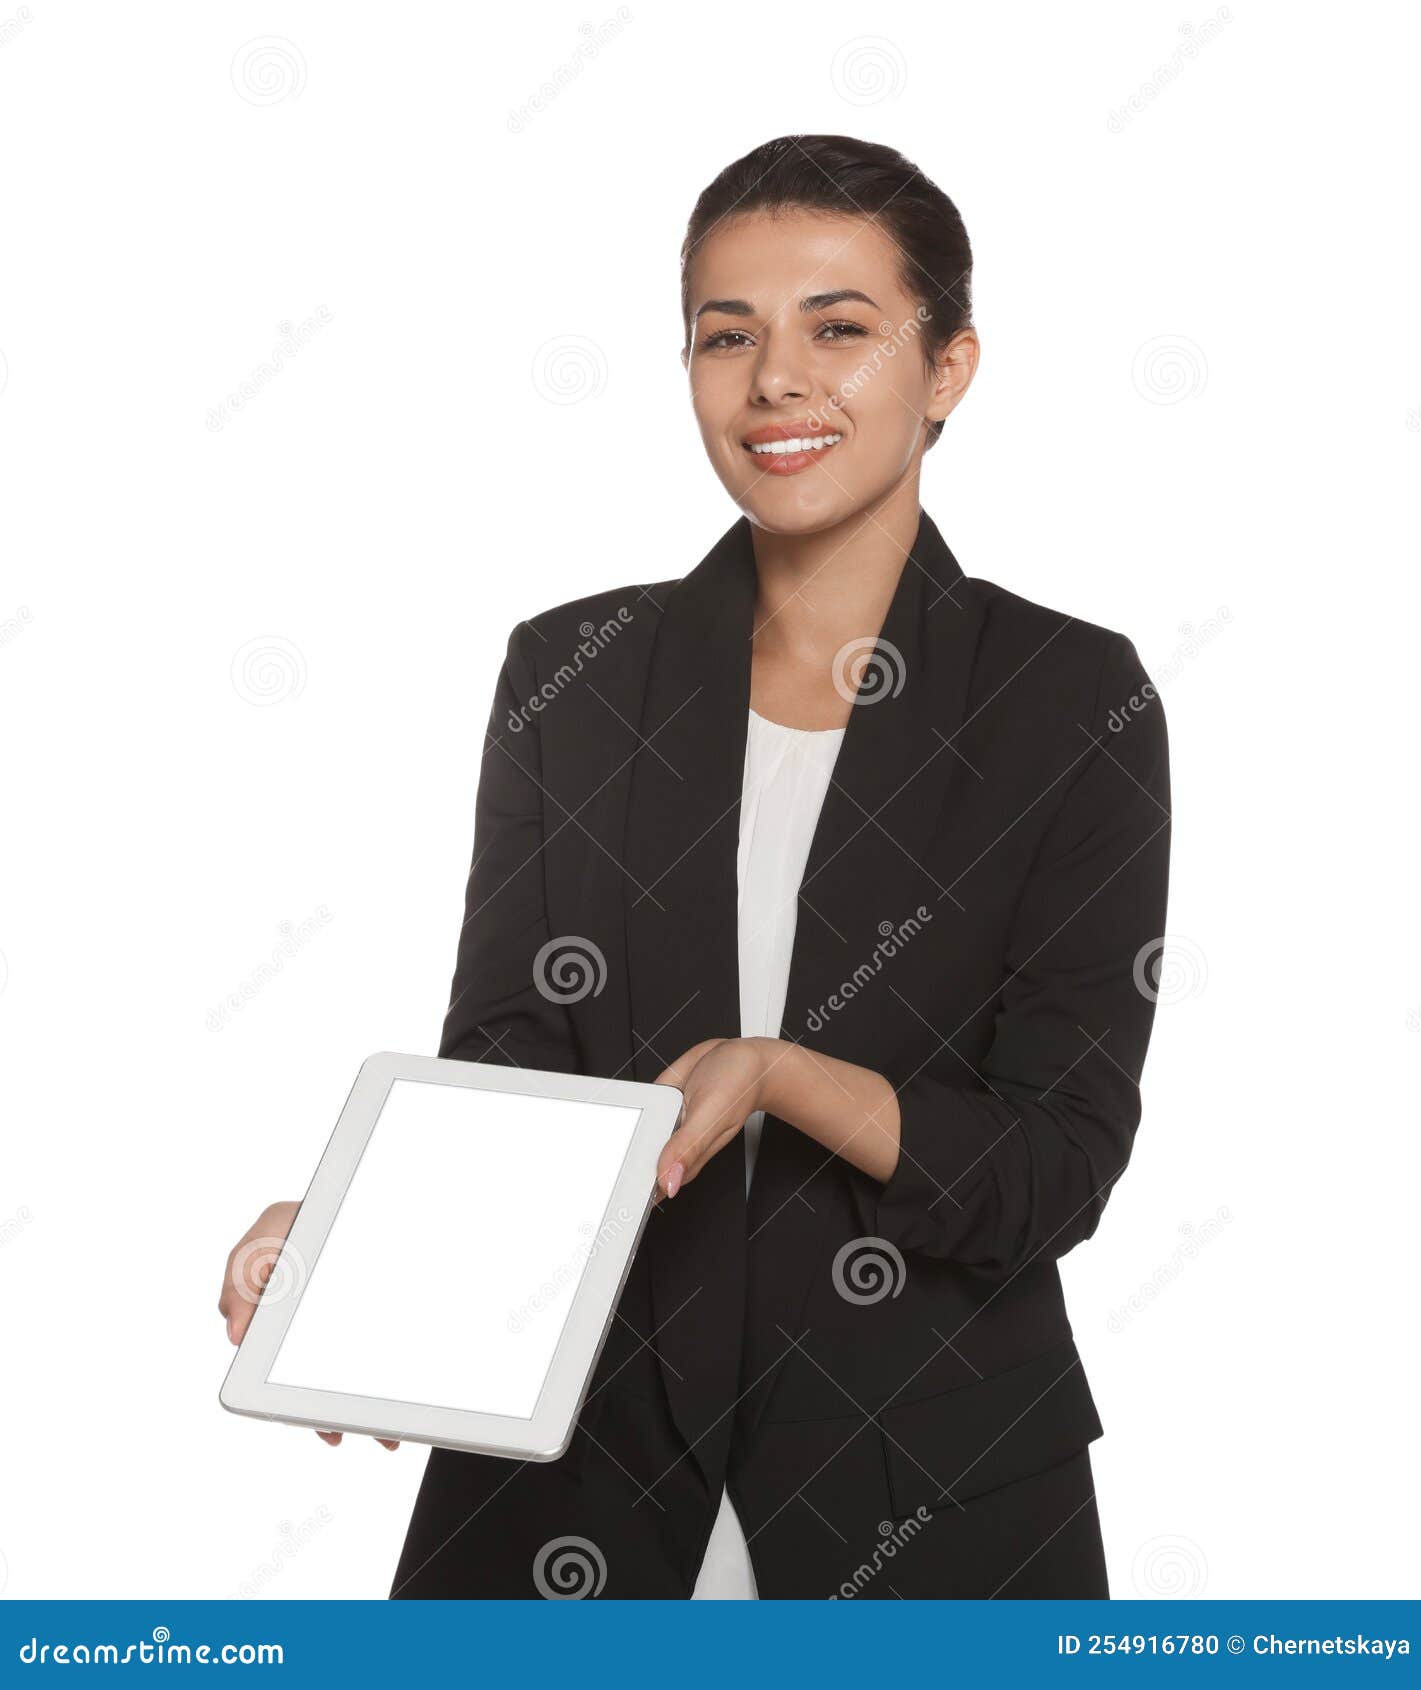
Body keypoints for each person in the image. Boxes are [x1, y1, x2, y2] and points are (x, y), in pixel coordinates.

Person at [219, 133, 1171, 1599]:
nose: (775, 380)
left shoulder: (1065, 699)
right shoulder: (576, 671)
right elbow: (513, 1058)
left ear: (950, 368)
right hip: (566, 1482)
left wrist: (780, 1073)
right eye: (727, 335)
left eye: (839, 329)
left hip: (929, 1498)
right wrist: (354, 1232)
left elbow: (1053, 1163)